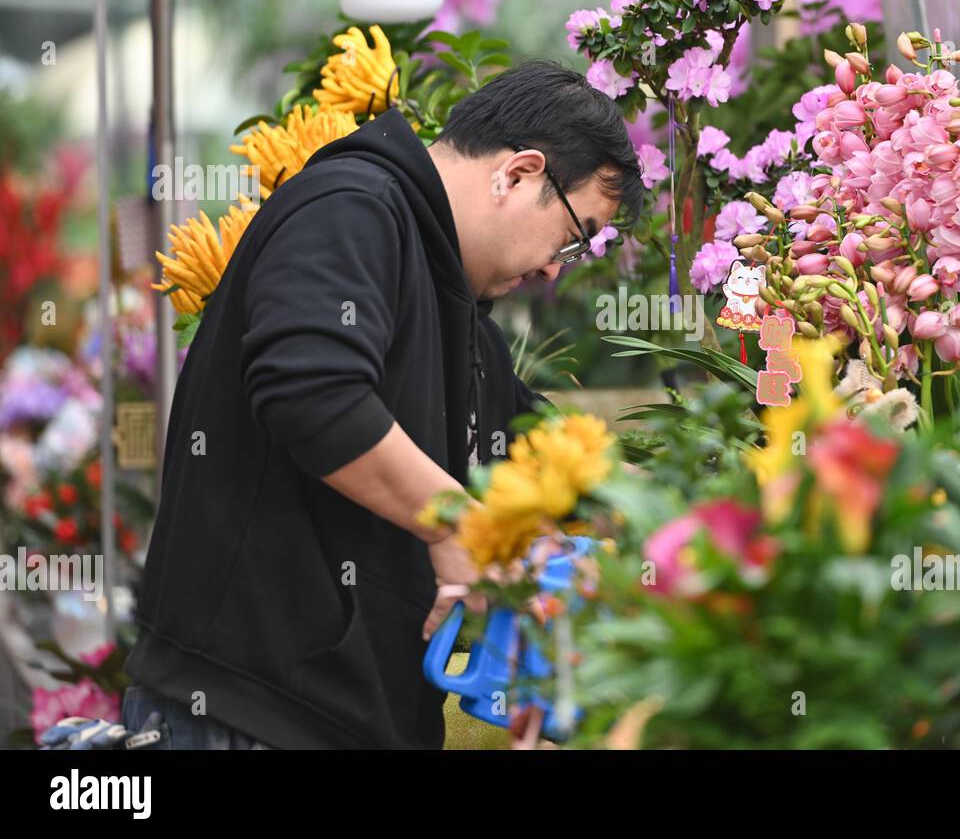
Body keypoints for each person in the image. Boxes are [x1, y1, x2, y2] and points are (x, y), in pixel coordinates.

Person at [122, 61, 642, 749]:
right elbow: (313, 393)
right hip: (245, 716)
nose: (554, 268)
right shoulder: (351, 206)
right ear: (518, 173)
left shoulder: (460, 313)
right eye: (575, 235)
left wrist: (672, 513)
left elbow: (544, 452)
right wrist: (455, 524)